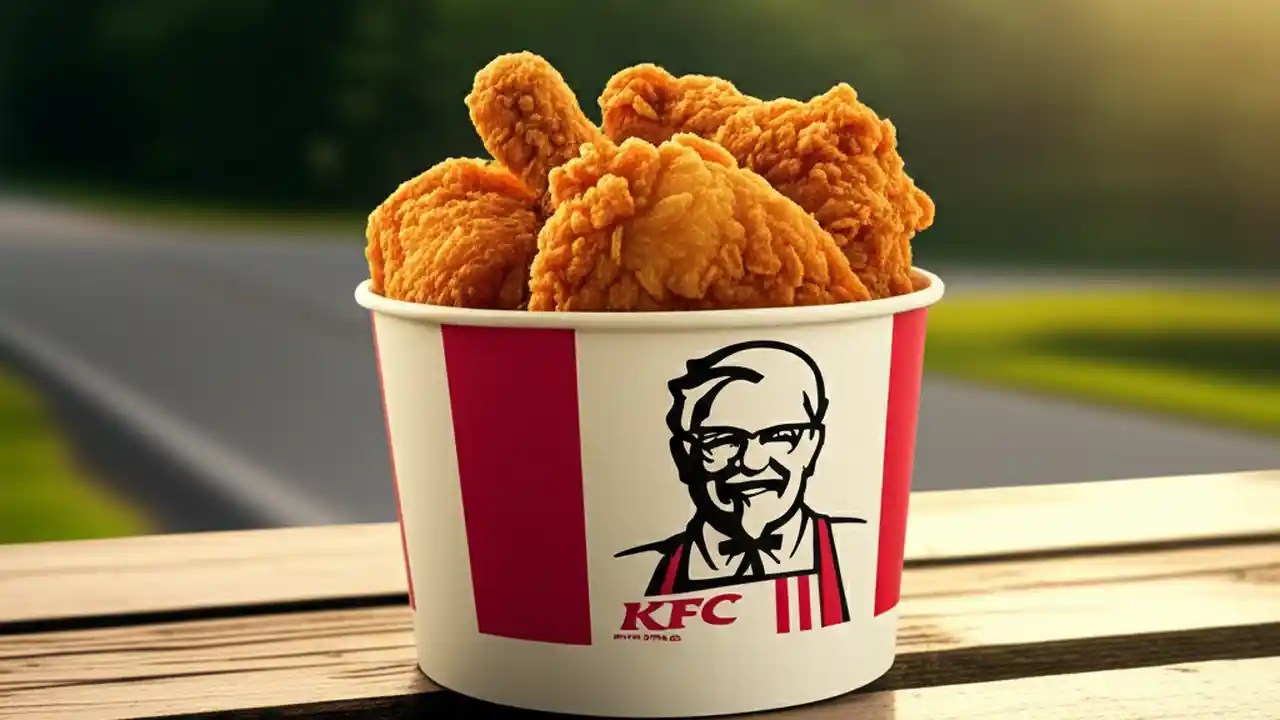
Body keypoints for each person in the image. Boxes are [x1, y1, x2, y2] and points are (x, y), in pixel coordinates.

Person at [617, 340, 862, 625]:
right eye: (722, 439)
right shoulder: (630, 571)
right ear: (683, 455)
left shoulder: (860, 549)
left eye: (781, 436)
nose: (753, 462)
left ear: (812, 446)